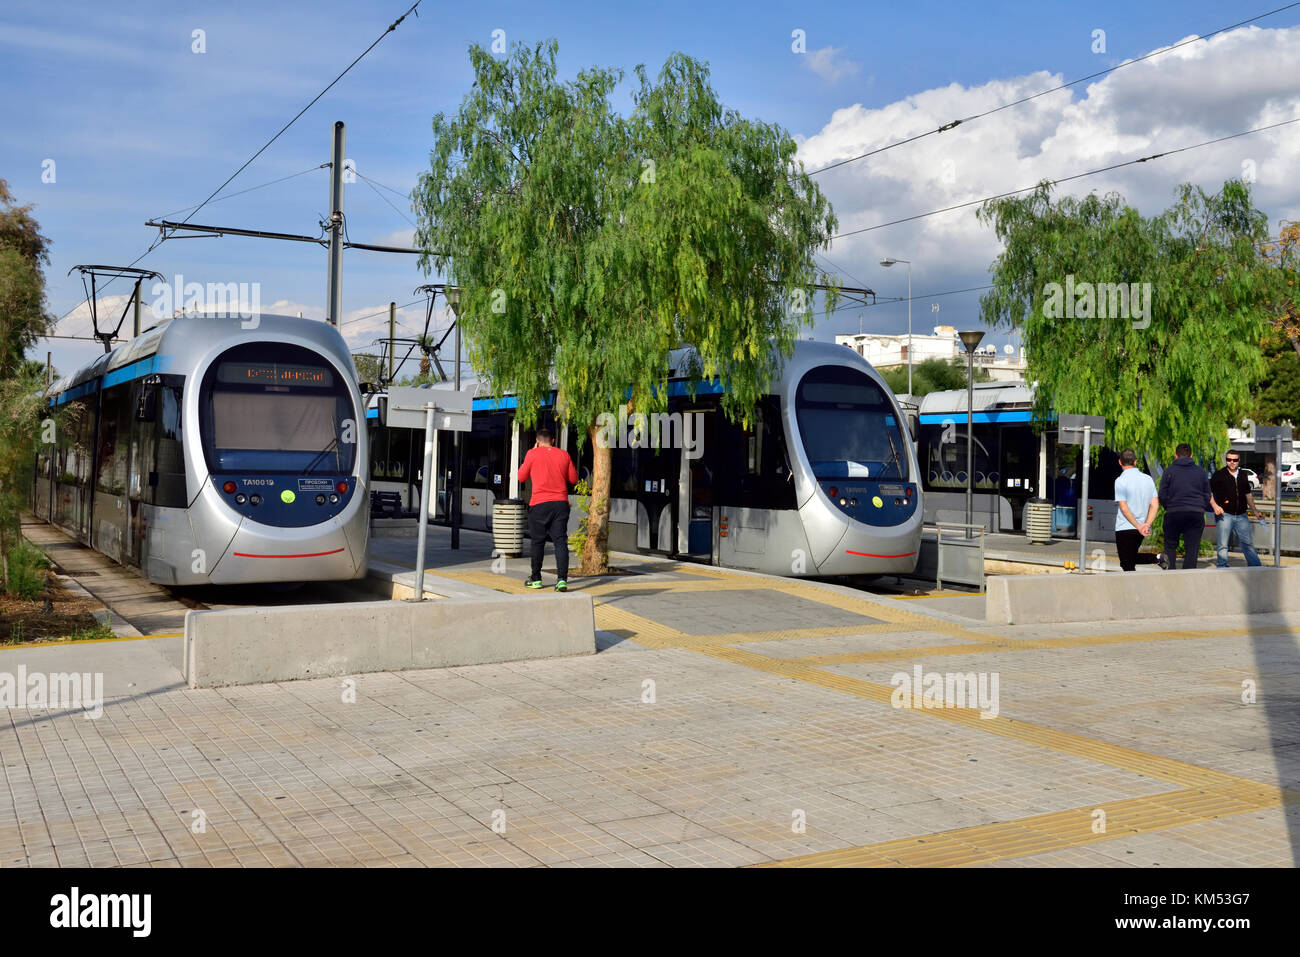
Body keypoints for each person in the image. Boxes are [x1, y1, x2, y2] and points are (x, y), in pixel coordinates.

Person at [516, 428, 578, 591]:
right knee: (560, 541)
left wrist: (533, 454)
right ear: (553, 440)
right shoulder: (564, 454)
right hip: (560, 504)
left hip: (539, 504)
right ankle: (562, 580)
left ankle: (536, 579)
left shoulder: (532, 454)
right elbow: (573, 478)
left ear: (537, 440)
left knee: (538, 542)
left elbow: (521, 477)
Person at [1157, 443, 1212, 569]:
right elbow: (1207, 494)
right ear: (1191, 455)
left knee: (1170, 545)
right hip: (1195, 513)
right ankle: (1188, 575)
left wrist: (1169, 507)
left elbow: (1162, 494)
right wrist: (1200, 507)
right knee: (1192, 548)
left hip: (1174, 512)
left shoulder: (1169, 471)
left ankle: (1170, 573)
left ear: (1176, 455)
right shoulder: (1201, 471)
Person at [1112, 449, 1164, 571]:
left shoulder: (1120, 481)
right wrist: (1146, 524)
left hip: (1125, 526)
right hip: (1142, 528)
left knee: (1127, 564)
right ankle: (1158, 558)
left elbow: (1124, 508)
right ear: (1135, 462)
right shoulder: (1148, 479)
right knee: (1129, 559)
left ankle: (1133, 588)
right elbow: (1155, 505)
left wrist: (1138, 525)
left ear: (1120, 462)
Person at [1210, 451, 1262, 568]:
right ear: (1226, 460)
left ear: (1239, 461)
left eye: (1235, 460)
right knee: (1223, 544)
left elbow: (1248, 494)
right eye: (1229, 459)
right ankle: (1222, 565)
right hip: (1225, 515)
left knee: (1247, 543)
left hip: (1241, 515)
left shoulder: (1243, 474)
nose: (1232, 462)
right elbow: (1208, 492)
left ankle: (1256, 566)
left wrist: (1255, 511)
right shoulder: (1219, 475)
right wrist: (1215, 506)